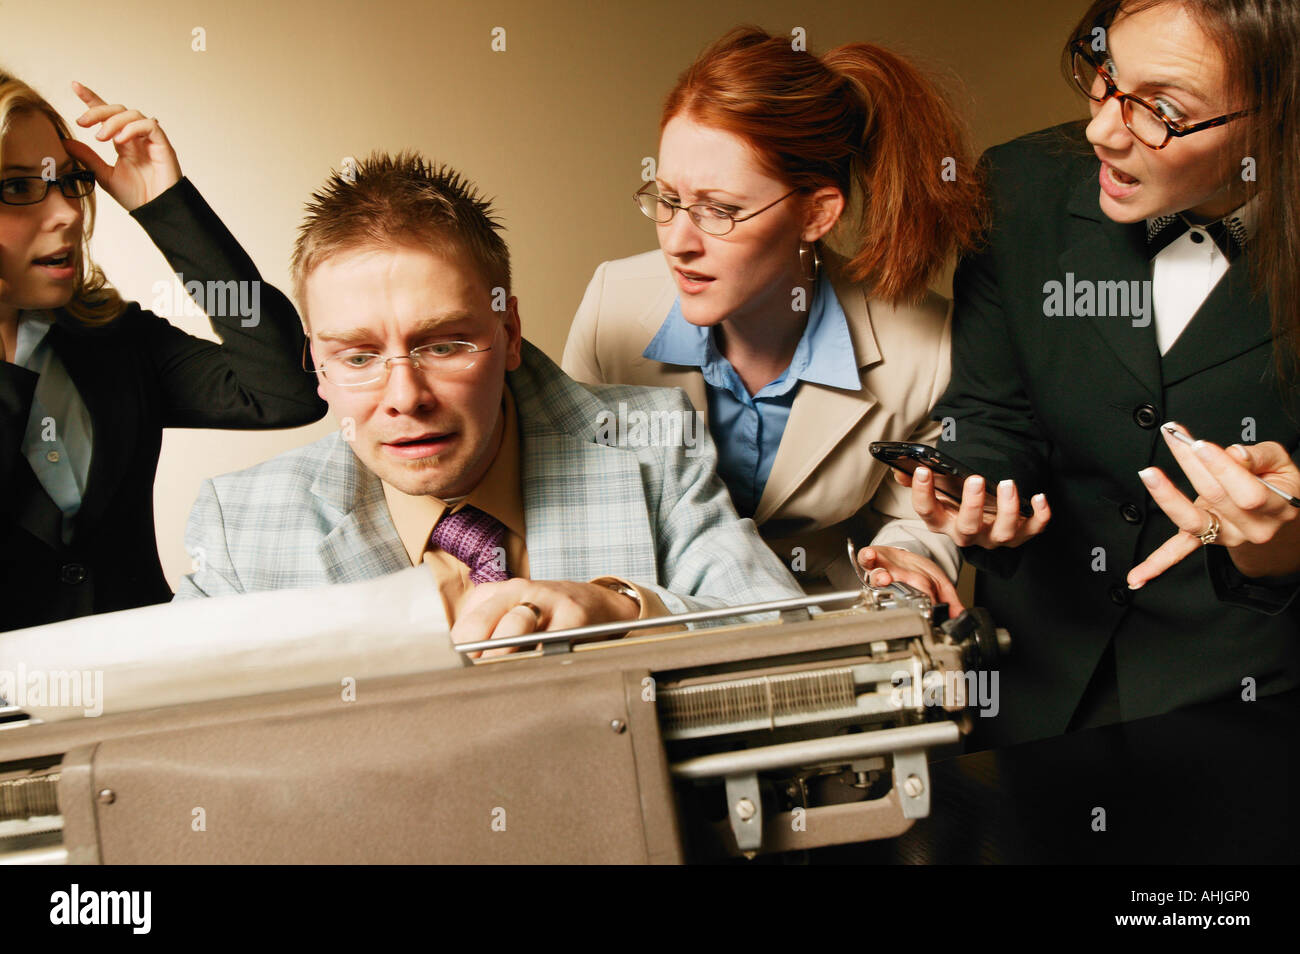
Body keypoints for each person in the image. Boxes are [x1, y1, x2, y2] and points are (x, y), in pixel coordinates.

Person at [176, 153, 803, 650]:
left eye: (444, 346)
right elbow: (167, 734)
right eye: (359, 357)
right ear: (316, 364)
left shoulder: (651, 439)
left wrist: (624, 610)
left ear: (507, 335)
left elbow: (792, 643)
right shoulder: (241, 525)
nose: (405, 398)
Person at [904, 0, 1300, 748]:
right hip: (1032, 691)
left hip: (1252, 710)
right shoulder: (1017, 188)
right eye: (1105, 74)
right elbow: (992, 415)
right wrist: (975, 493)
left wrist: (1283, 541)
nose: (1101, 130)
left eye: (1161, 108)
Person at [561, 26, 985, 602]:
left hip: (825, 624)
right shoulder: (614, 302)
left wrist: (905, 559)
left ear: (816, 214)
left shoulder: (928, 346)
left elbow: (917, 516)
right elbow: (580, 502)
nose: (677, 242)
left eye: (720, 210)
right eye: (667, 200)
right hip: (648, 617)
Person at [0, 74, 325, 631]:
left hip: (147, 693)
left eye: (70, 181)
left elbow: (285, 392)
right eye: (18, 187)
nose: (69, 214)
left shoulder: (111, 337)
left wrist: (166, 208)